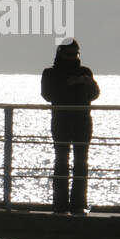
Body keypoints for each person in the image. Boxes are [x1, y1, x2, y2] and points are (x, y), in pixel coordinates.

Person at [40, 39, 100, 214]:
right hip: (61, 122)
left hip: (83, 122)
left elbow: (95, 94)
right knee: (61, 162)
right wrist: (69, 84)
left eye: (76, 54)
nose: (74, 58)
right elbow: (47, 94)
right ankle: (60, 204)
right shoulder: (50, 73)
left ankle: (78, 203)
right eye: (70, 54)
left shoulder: (85, 71)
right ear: (60, 54)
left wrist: (89, 83)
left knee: (81, 163)